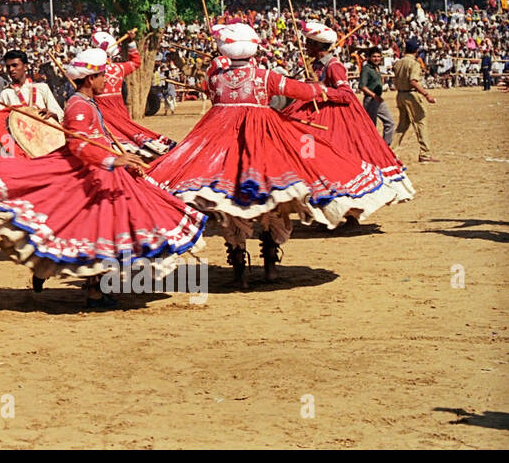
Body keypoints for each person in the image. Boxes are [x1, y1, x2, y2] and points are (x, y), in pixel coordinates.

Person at [147, 23, 390, 287]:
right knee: (273, 197)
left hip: (219, 141)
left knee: (232, 204)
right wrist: (332, 92)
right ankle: (270, 264)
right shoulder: (266, 76)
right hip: (264, 139)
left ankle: (239, 267)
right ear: (253, 51)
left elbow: (209, 87)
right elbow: (302, 91)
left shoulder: (216, 78)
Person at [0, 48, 205, 303]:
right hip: (86, 176)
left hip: (103, 172)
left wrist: (124, 163)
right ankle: (93, 289)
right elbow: (78, 145)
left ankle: (76, 280)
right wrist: (113, 160)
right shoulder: (78, 106)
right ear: (89, 79)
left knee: (99, 230)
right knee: (91, 230)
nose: (105, 80)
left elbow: (99, 138)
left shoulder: (87, 103)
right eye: (101, 75)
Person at [284, 22, 412, 203]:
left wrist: (320, 89)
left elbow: (345, 94)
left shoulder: (334, 66)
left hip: (336, 120)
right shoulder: (316, 64)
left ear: (318, 46)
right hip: (316, 113)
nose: (305, 46)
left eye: (309, 43)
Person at [87, 30, 174, 159]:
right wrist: (131, 42)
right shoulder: (118, 69)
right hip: (119, 111)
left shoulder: (90, 71)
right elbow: (136, 62)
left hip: (100, 113)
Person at [394, 36, 438, 163]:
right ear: (416, 50)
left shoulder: (399, 62)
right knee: (420, 123)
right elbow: (413, 81)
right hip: (411, 95)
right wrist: (426, 94)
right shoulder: (414, 63)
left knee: (402, 125)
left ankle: (391, 151)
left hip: (400, 94)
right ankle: (425, 153)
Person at [359, 47, 395, 145]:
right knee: (371, 127)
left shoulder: (377, 67)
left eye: (378, 56)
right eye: (374, 56)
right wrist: (374, 96)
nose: (376, 58)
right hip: (371, 100)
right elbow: (362, 86)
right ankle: (370, 149)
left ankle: (385, 147)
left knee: (390, 123)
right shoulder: (366, 69)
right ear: (369, 57)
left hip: (378, 99)